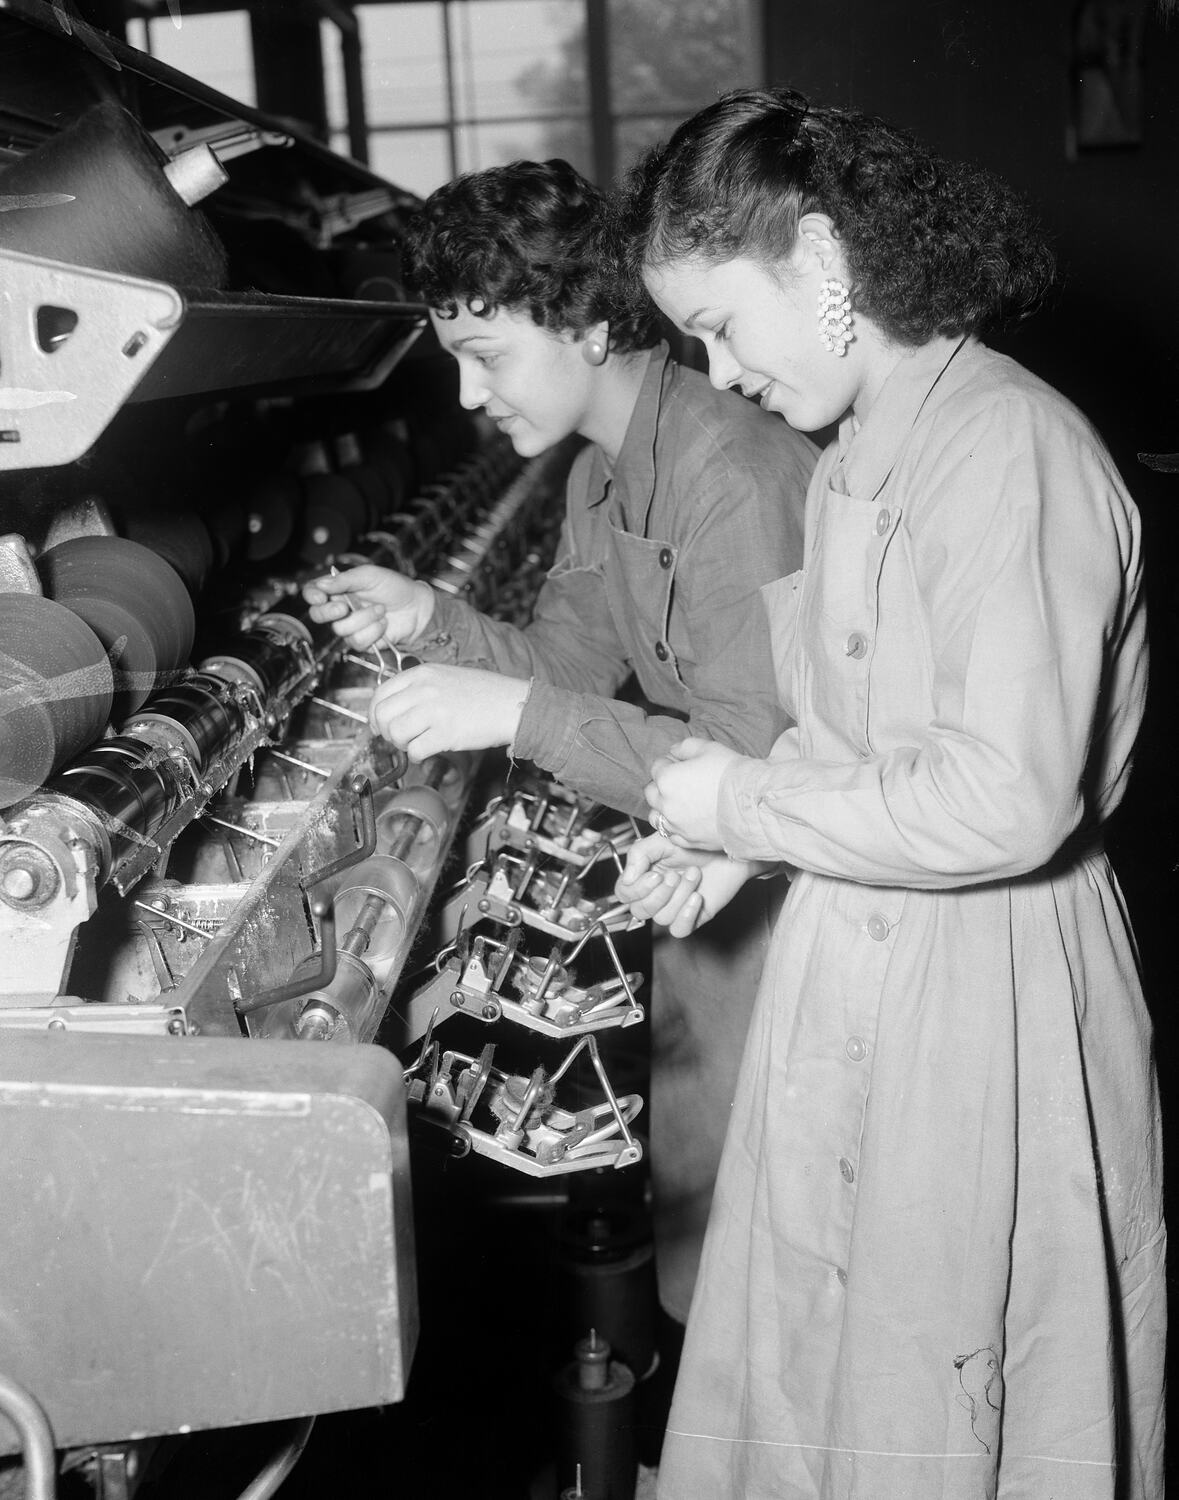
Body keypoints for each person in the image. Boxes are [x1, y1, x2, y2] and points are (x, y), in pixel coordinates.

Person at [613, 89, 1166, 1499]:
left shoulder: (1007, 450)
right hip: (854, 965)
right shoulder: (853, 449)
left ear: (818, 265)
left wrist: (742, 805)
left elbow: (1001, 797)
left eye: (722, 327)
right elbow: (852, 733)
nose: (718, 375)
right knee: (816, 1379)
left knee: (944, 1386)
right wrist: (745, 841)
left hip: (982, 991)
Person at [303, 159, 816, 1383]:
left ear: (589, 321)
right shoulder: (603, 475)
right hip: (703, 912)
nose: (471, 396)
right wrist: (427, 611)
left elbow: (751, 771)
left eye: (490, 356)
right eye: (454, 365)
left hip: (794, 917)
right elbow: (564, 668)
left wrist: (516, 709)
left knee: (789, 1287)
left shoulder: (729, 476)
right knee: (720, 1274)